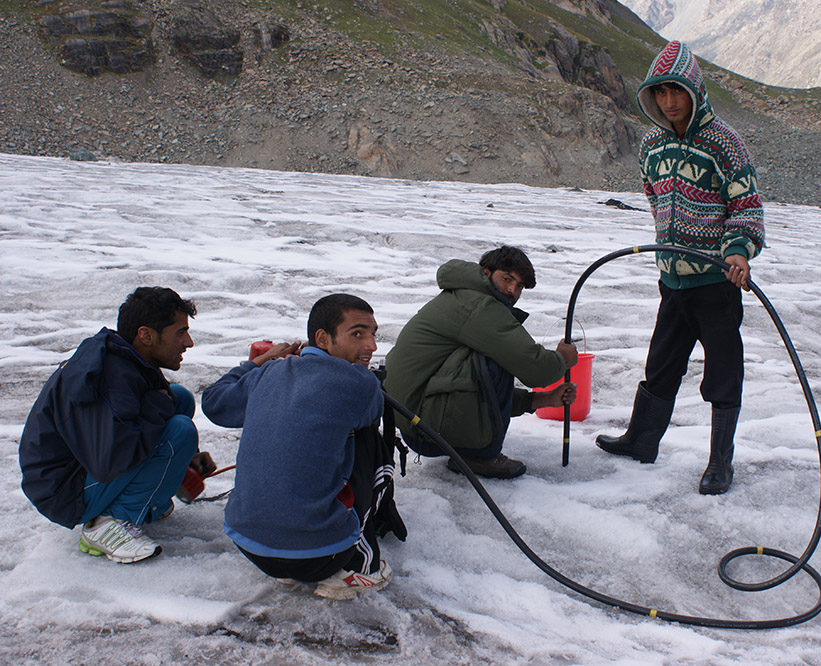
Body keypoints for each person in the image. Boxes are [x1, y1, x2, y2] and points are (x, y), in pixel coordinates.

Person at [595, 41, 766, 495]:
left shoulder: (725, 143)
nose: (669, 102)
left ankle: (719, 463)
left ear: (695, 91)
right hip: (672, 280)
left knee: (723, 370)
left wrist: (737, 250)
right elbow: (654, 198)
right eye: (661, 92)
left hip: (715, 281)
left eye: (677, 92)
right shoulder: (651, 145)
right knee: (662, 364)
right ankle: (641, 440)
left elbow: (745, 207)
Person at [201, 294, 404, 601]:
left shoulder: (266, 374)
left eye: (373, 334)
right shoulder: (359, 383)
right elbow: (370, 413)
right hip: (320, 557)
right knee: (367, 439)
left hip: (249, 545)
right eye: (358, 334)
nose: (372, 346)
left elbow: (215, 403)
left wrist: (261, 361)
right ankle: (359, 565)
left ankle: (290, 551)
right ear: (323, 338)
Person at [19, 286, 214, 564]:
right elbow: (111, 459)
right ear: (145, 335)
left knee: (178, 398)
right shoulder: (110, 378)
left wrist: (186, 461)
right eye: (180, 332)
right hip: (64, 491)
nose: (189, 342)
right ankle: (110, 522)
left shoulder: (127, 358)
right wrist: (163, 416)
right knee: (179, 430)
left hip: (84, 466)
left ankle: (146, 494)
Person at [383, 245, 578, 480]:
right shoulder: (478, 305)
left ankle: (469, 449)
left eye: (519, 286)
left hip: (415, 422)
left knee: (494, 354)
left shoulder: (463, 296)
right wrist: (562, 361)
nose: (511, 290)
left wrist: (539, 400)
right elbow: (534, 368)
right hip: (424, 429)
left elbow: (467, 383)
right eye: (507, 279)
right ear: (486, 273)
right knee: (496, 357)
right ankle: (480, 456)